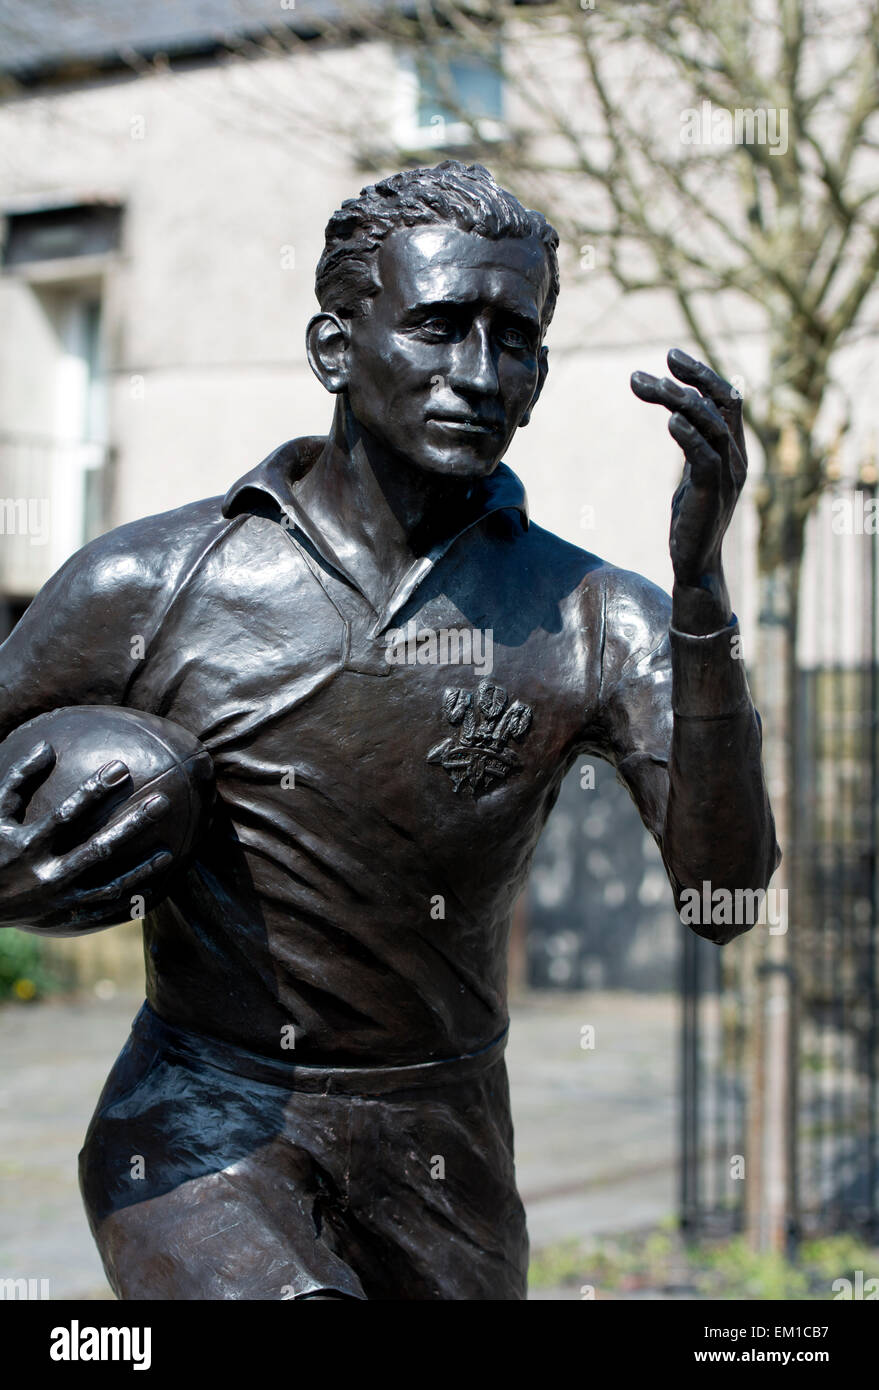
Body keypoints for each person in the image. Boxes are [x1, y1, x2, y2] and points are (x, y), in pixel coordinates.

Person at [0, 161, 780, 1300]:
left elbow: (729, 899)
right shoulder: (151, 583)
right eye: (437, 326)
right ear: (334, 350)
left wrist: (703, 597)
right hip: (206, 1117)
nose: (478, 373)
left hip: (447, 1139)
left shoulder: (600, 619)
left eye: (514, 339)